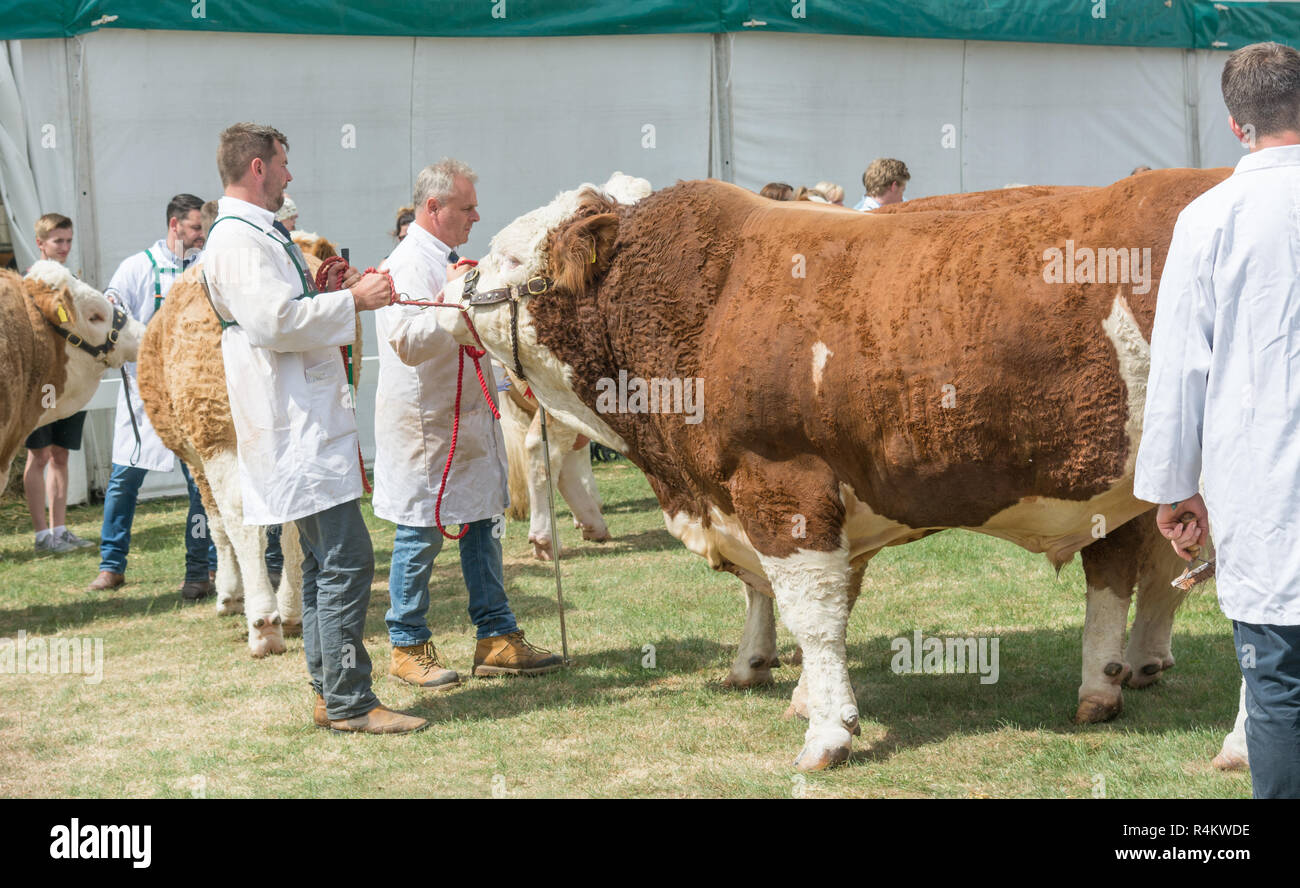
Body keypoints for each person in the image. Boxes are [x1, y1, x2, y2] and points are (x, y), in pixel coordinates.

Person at [203, 122, 424, 734]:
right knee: (347, 560)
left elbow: (285, 311)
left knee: (325, 564)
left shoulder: (254, 232)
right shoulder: (238, 239)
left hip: (300, 422)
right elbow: (274, 322)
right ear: (257, 167)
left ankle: (332, 693)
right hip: (291, 426)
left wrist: (334, 289)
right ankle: (351, 700)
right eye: (283, 163)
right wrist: (357, 301)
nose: (289, 175)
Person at [1134, 41, 1300, 799]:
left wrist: (1174, 490)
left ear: (1236, 125)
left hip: (1263, 493)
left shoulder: (1208, 219)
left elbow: (1178, 370)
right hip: (1262, 491)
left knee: (1278, 688)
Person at [376, 158, 564, 688]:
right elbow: (407, 342)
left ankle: (496, 636)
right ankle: (406, 644)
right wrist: (456, 299)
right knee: (420, 533)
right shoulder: (405, 263)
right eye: (467, 207)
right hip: (426, 425)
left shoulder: (451, 259)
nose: (476, 216)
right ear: (434, 207)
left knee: (484, 522)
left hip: (469, 415)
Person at [88, 195, 219, 599]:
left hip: (192, 395)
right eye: (195, 227)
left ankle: (203, 567)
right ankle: (111, 565)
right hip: (143, 393)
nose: (201, 235)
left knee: (200, 486)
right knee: (123, 481)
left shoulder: (207, 265)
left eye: (203, 228)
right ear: (174, 225)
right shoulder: (137, 267)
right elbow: (111, 309)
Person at [24, 213, 93, 555]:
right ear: (40, 243)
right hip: (40, 382)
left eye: (68, 240)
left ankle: (60, 530)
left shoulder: (72, 281)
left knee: (61, 454)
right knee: (39, 454)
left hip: (69, 381)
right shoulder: (30, 284)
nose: (64, 247)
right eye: (57, 241)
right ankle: (42, 536)